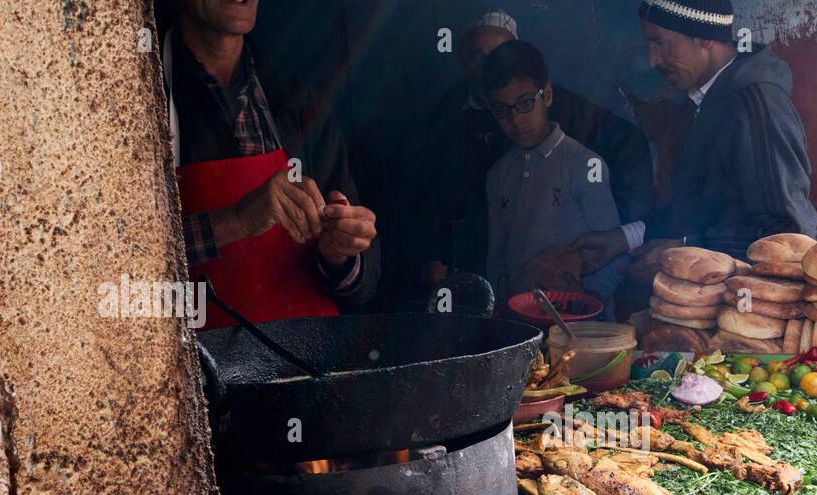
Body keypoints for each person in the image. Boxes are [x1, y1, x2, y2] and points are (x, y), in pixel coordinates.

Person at [164, 0, 378, 328]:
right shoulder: (147, 102)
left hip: (304, 363)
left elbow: (363, 280)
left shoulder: (299, 105)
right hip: (202, 367)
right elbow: (116, 267)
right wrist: (233, 221)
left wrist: (340, 253)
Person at [573, 0, 817, 282]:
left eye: (660, 43)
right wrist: (624, 238)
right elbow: (698, 209)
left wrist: (688, 248)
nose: (653, 60)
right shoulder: (702, 102)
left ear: (705, 38)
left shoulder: (754, 106)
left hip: (748, 310)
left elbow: (788, 235)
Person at [418, 8, 653, 286]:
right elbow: (434, 193)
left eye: (525, 104)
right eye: (477, 56)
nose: (516, 118)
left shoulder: (579, 146)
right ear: (463, 61)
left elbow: (609, 252)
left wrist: (612, 237)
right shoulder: (451, 116)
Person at [482, 41, 624, 311]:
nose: (516, 119)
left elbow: (616, 254)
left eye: (525, 104)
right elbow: (497, 258)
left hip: (582, 326)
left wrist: (587, 297)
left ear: (546, 95)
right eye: (502, 109)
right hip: (521, 322)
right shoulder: (498, 175)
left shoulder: (584, 164)